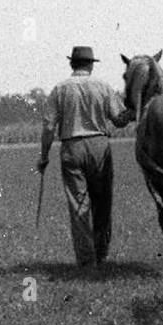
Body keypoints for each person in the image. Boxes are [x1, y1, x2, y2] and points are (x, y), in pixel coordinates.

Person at [37, 46, 133, 266]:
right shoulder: (102, 86)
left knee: (78, 204)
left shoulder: (60, 89)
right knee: (102, 203)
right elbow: (119, 120)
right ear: (90, 65)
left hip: (71, 147)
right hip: (99, 146)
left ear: (72, 64)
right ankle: (102, 254)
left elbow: (49, 126)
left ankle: (87, 261)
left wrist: (44, 157)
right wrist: (133, 111)